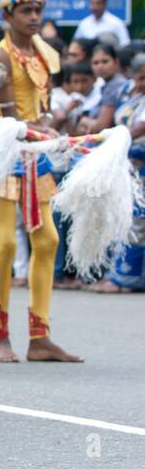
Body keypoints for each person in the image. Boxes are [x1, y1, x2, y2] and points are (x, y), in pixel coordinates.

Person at [0, 0, 81, 363]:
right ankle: (0, 335)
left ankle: (40, 336)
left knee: (48, 241)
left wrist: (56, 129)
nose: (35, 17)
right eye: (27, 11)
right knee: (5, 244)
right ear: (8, 17)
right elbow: (8, 117)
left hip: (35, 155)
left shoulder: (46, 54)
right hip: (7, 154)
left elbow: (43, 109)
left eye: (39, 9)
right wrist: (44, 131)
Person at [93, 55, 145, 293]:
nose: (142, 83)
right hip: (129, 166)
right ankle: (118, 274)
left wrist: (120, 138)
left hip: (140, 164)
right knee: (124, 218)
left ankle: (128, 278)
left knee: (138, 221)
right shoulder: (130, 95)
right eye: (140, 77)